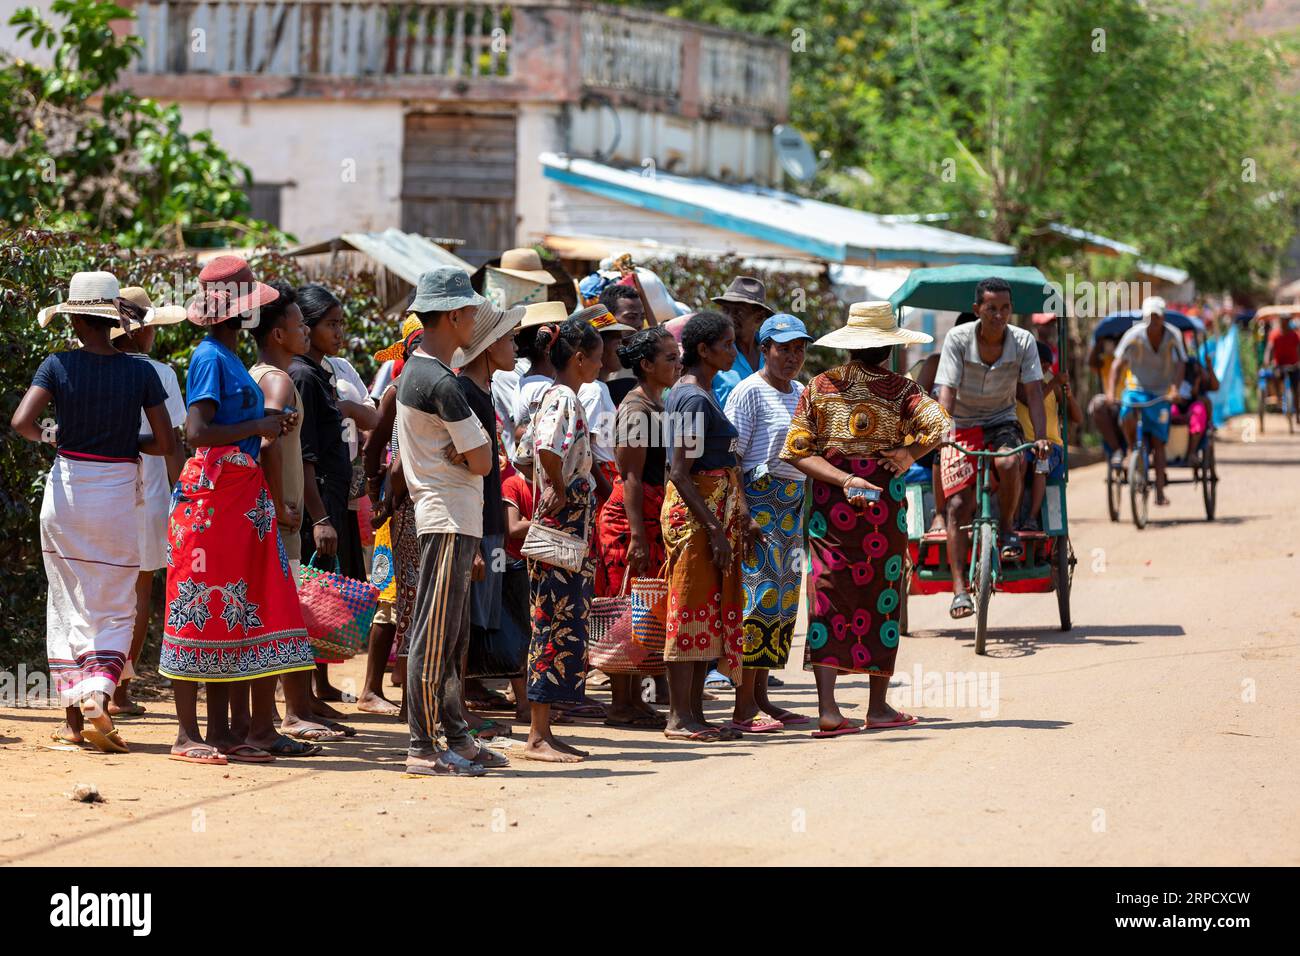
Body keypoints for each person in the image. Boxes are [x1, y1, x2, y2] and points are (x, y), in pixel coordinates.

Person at [162, 255, 316, 764]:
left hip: (236, 498)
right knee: (197, 605)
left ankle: (227, 733)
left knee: (231, 611)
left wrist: (267, 426)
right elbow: (197, 433)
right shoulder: (210, 357)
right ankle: (188, 734)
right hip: (213, 500)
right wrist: (260, 428)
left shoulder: (224, 356)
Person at [14, 272, 175, 753]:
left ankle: (71, 720)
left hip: (65, 498)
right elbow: (167, 443)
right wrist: (128, 441)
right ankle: (99, 697)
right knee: (113, 603)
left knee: (65, 601)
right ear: (114, 321)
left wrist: (57, 437)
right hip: (116, 501)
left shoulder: (58, 365)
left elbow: (23, 422)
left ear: (76, 319)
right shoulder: (141, 372)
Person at [781, 300, 950, 736]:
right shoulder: (903, 390)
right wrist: (909, 453)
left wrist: (843, 480)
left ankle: (829, 710)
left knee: (827, 594)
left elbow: (797, 452)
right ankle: (877, 707)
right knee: (883, 594)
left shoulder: (819, 386)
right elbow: (942, 425)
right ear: (889, 347)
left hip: (830, 508)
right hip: (882, 508)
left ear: (850, 345)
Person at [396, 267, 507, 777]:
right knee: (436, 633)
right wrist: (473, 455)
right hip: (445, 516)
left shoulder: (428, 373)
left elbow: (481, 457)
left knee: (450, 633)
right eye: (472, 313)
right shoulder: (438, 380)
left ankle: (455, 736)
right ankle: (423, 746)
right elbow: (484, 461)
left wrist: (473, 455)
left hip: (450, 516)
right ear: (456, 315)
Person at [250, 281, 349, 743]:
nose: (305, 333)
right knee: (281, 614)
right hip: (282, 512)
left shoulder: (262, 374)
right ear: (277, 334)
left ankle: (284, 712)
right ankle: (280, 717)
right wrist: (280, 501)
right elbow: (271, 441)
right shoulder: (282, 379)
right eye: (298, 326)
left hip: (272, 508)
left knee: (276, 613)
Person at [661, 311, 758, 742]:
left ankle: (695, 715)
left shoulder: (700, 393)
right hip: (697, 517)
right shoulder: (694, 399)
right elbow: (680, 471)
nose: (734, 352)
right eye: (727, 345)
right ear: (704, 350)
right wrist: (716, 529)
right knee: (688, 611)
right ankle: (680, 717)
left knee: (703, 613)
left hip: (711, 512)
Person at [934, 277, 1050, 619]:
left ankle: (1010, 527)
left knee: (1011, 462)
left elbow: (1032, 393)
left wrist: (1040, 436)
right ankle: (959, 591)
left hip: (1002, 420)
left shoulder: (1024, 341)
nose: (999, 315)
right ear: (977, 310)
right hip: (964, 422)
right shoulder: (957, 338)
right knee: (957, 505)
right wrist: (944, 432)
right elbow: (947, 393)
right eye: (991, 308)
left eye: (1004, 308)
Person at [723, 314, 814, 732]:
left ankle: (762, 698)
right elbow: (732, 459)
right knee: (756, 603)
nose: (792, 357)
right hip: (758, 507)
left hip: (791, 508)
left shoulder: (801, 393)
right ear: (764, 349)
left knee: (781, 604)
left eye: (799, 349)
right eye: (784, 348)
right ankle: (743, 709)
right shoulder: (748, 392)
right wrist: (741, 511)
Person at [522, 319, 605, 762]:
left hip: (563, 531)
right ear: (579, 359)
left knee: (556, 622)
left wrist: (549, 484)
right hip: (561, 531)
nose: (601, 363)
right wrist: (557, 485)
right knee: (554, 623)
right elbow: (546, 449)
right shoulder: (565, 397)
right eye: (596, 356)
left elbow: (522, 452)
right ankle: (537, 735)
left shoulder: (549, 397)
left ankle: (543, 729)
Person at [291, 284, 376, 708]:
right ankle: (302, 698)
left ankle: (315, 690)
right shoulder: (304, 376)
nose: (339, 332)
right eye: (331, 324)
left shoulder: (327, 372)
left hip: (336, 496)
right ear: (305, 328)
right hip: (318, 501)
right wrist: (320, 516)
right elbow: (305, 455)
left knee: (324, 595)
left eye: (341, 323)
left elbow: (371, 415)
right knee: (309, 594)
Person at [592, 325, 680, 728]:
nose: (677, 365)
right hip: (630, 520)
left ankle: (634, 698)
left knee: (642, 609)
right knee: (624, 609)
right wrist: (639, 537)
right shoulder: (636, 409)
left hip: (648, 515)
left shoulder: (655, 403)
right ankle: (621, 702)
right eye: (670, 359)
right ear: (647, 365)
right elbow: (628, 476)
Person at [108, 287, 188, 718]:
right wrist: (186, 496)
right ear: (140, 331)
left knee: (103, 592)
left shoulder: (95, 369)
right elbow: (173, 442)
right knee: (140, 592)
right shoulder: (160, 374)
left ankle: (99, 687)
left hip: (100, 492)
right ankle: (120, 690)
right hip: (150, 495)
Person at [455, 300, 525, 740]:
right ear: (486, 346)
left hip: (490, 522)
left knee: (480, 617)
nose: (514, 345)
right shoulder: (466, 392)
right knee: (464, 618)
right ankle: (456, 709)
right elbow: (465, 467)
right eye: (508, 337)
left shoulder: (484, 391)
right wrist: (477, 537)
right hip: (476, 523)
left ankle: (462, 705)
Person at [360, 317, 424, 717]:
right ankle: (374, 689)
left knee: (408, 603)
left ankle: (401, 694)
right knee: (392, 600)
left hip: (404, 502)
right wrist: (377, 494)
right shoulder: (399, 389)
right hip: (399, 505)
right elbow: (377, 448)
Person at [1109, 296, 1186, 507]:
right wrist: (1110, 393)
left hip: (1162, 393)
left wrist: (1175, 389)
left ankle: (1160, 492)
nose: (1153, 321)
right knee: (1126, 412)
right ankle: (1130, 449)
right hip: (1136, 389)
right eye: (1149, 317)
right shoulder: (1133, 335)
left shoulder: (1173, 335)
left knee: (1159, 444)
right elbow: (1117, 365)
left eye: (1157, 317)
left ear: (1162, 318)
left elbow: (1181, 364)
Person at [1016, 341, 1083, 531]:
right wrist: (1053, 382)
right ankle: (1014, 518)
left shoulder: (1053, 382)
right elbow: (1030, 400)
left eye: (1047, 364)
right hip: (1022, 444)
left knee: (1041, 461)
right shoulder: (1016, 381)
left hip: (1050, 445)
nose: (1044, 367)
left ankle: (1031, 518)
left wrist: (1068, 396)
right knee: (1018, 464)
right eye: (1041, 362)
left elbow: (1077, 417)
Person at [573, 303, 635, 502]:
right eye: (616, 343)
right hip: (601, 485)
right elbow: (584, 449)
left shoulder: (597, 387)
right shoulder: (594, 390)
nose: (621, 349)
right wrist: (609, 495)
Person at [501, 446, 536, 723]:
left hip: (537, 564)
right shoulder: (513, 484)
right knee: (520, 636)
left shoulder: (546, 487)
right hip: (514, 564)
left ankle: (529, 700)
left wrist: (530, 523)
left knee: (534, 635)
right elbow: (512, 528)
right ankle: (523, 702)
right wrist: (542, 522)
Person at [710, 276, 774, 406]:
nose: (729, 317)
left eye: (738, 311)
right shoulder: (713, 352)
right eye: (725, 310)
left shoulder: (773, 354)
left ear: (759, 317)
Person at [1263, 314, 1300, 426]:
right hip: (1279, 365)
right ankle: (1278, 397)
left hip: (1293, 365)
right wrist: (1267, 361)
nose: (1283, 322)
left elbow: (1299, 349)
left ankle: (1297, 414)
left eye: (1285, 320)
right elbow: (1269, 349)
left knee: (1296, 389)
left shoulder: (1295, 335)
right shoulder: (1274, 334)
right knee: (1275, 377)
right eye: (1282, 320)